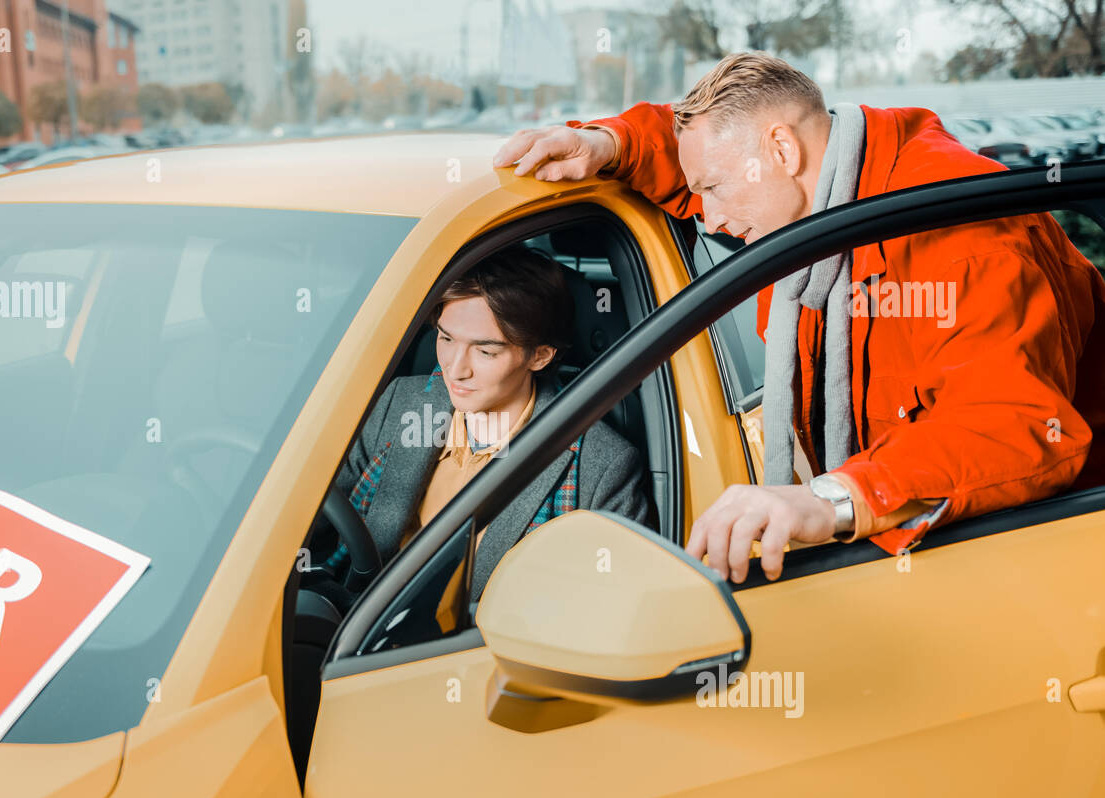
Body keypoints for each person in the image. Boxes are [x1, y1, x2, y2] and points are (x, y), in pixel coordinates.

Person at [494, 51, 1105, 584]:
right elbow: (699, 151)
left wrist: (829, 500)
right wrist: (612, 143)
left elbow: (1009, 425)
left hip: (1034, 553)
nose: (706, 216)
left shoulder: (955, 236)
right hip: (919, 544)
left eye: (712, 189)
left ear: (782, 149)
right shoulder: (815, 181)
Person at [328, 245, 650, 600]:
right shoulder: (400, 401)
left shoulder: (602, 466)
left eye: (485, 351)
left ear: (540, 356)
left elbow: (611, 604)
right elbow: (319, 520)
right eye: (446, 338)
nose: (455, 369)